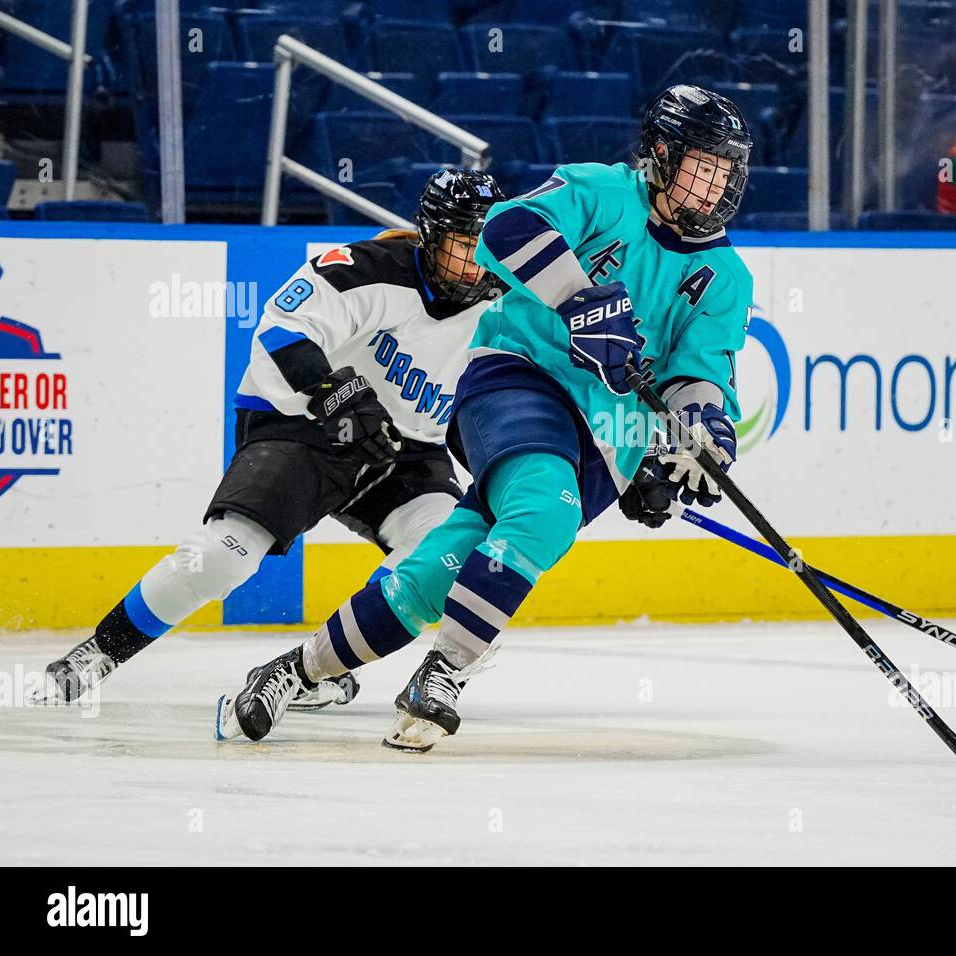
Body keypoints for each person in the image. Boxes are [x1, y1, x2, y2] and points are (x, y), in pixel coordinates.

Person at [215, 84, 755, 748]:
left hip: (608, 437)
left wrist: (700, 431)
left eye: (726, 170)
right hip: (517, 375)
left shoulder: (727, 276)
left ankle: (294, 671)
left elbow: (699, 373)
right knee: (543, 513)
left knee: (430, 580)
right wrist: (578, 299)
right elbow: (505, 229)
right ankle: (442, 674)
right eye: (704, 165)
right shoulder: (599, 190)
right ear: (663, 155)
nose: (716, 185)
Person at [31, 169, 506, 711]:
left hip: (405, 453)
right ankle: (99, 652)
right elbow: (283, 330)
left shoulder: (505, 310)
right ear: (432, 234)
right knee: (221, 557)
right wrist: (343, 397)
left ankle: (310, 668)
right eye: (466, 243)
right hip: (306, 424)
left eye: (489, 245)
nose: (479, 261)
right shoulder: (369, 269)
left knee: (448, 551)